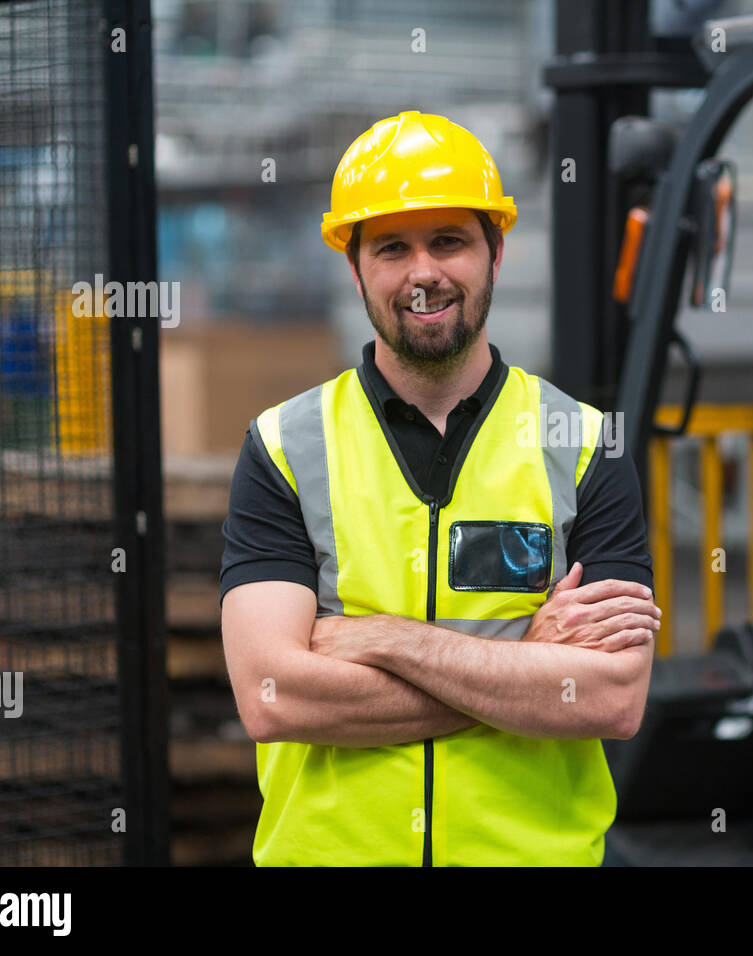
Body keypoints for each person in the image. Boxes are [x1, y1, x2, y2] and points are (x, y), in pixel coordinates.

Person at [219, 110, 659, 866]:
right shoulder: (284, 449)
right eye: (392, 247)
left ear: (495, 253)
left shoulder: (586, 446)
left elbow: (611, 700)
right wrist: (524, 661)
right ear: (354, 268)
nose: (424, 272)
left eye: (449, 241)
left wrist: (380, 638)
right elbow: (271, 698)